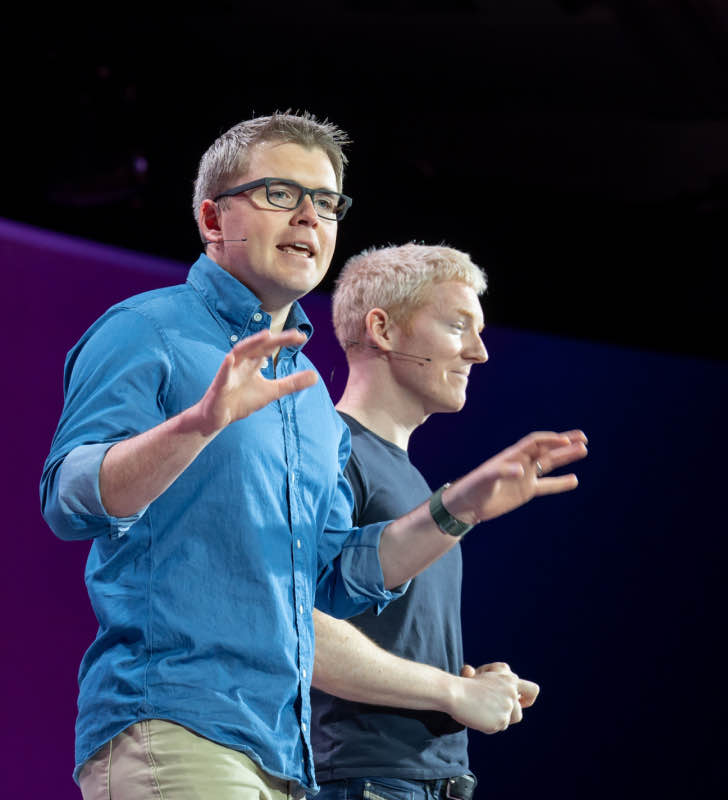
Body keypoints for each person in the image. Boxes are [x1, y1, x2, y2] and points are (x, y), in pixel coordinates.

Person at [40, 112, 588, 800]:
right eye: (280, 193)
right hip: (176, 721)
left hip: (282, 753)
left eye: (326, 202)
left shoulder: (306, 405)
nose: (309, 216)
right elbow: (69, 498)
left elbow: (333, 579)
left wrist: (458, 508)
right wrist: (199, 424)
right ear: (213, 218)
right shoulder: (146, 330)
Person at [309, 243, 543, 800]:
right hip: (362, 781)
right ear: (383, 330)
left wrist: (467, 681)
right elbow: (300, 629)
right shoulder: (330, 452)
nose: (480, 352)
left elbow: (383, 636)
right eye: (458, 325)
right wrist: (450, 694)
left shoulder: (407, 477)